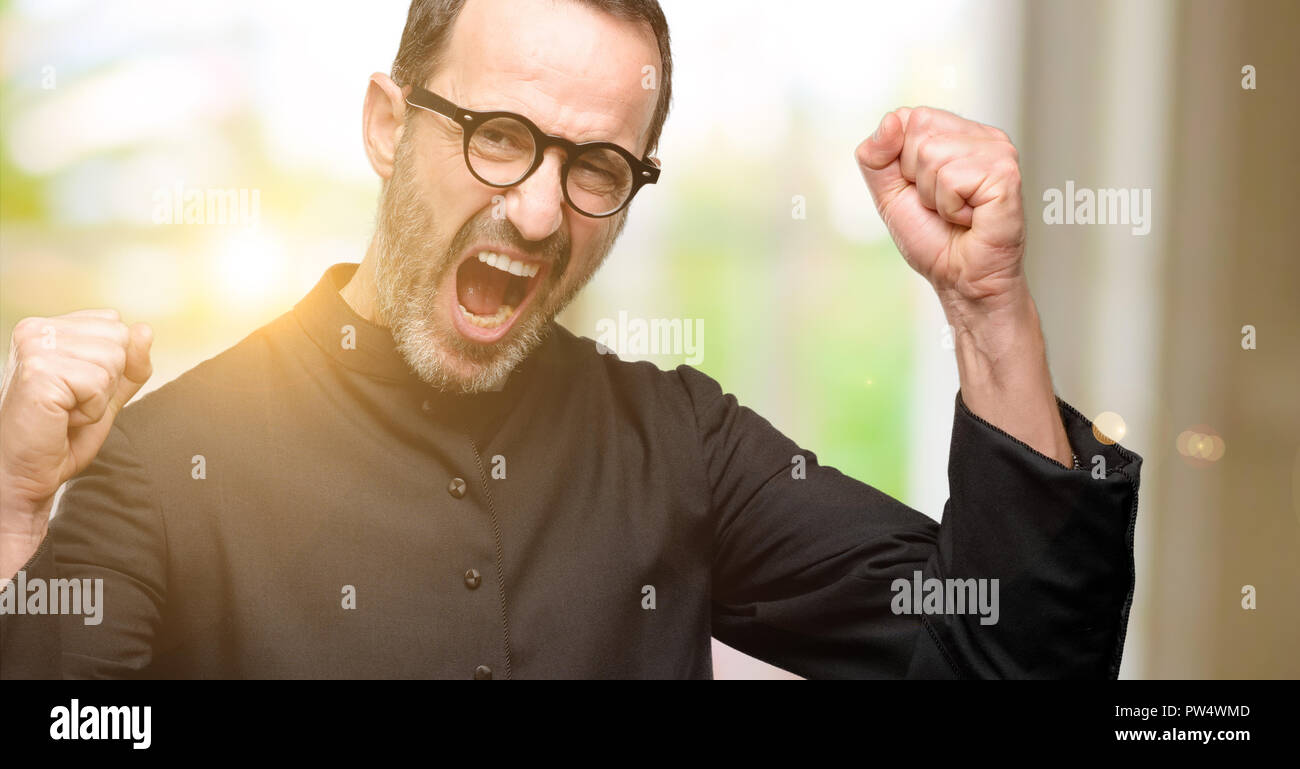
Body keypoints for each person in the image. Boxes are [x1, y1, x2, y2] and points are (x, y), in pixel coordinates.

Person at [0, 0, 1141, 679]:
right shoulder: (162, 465)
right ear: (386, 126)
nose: (540, 213)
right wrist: (13, 513)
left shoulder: (681, 443)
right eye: (499, 137)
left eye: (595, 165)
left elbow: (1008, 665)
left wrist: (984, 307)